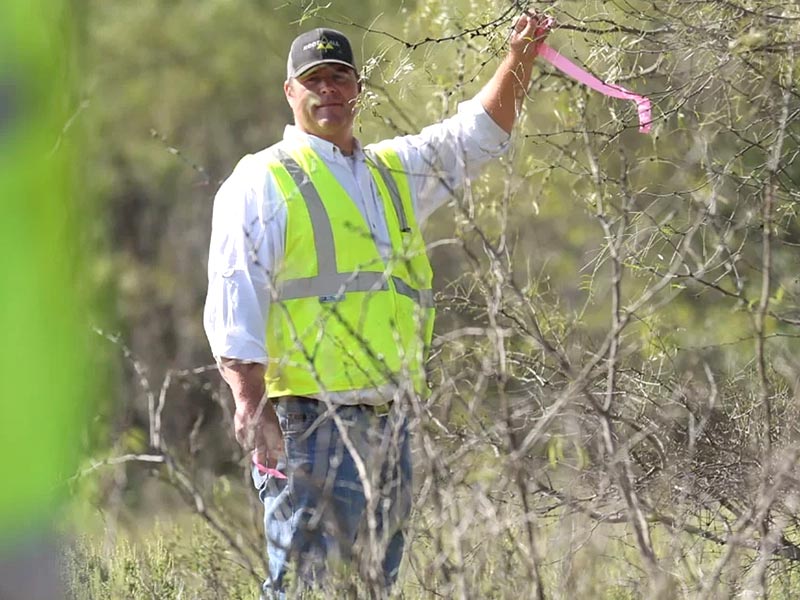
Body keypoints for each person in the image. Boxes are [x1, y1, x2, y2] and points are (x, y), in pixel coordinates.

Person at [204, 11, 552, 598]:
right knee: (309, 587)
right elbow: (235, 290)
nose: (327, 90)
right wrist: (251, 402)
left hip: (392, 420)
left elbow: (479, 134)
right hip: (308, 420)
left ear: (358, 90)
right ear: (290, 91)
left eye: (339, 77)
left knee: (371, 587)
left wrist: (520, 56)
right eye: (313, 80)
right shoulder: (261, 178)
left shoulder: (393, 172)